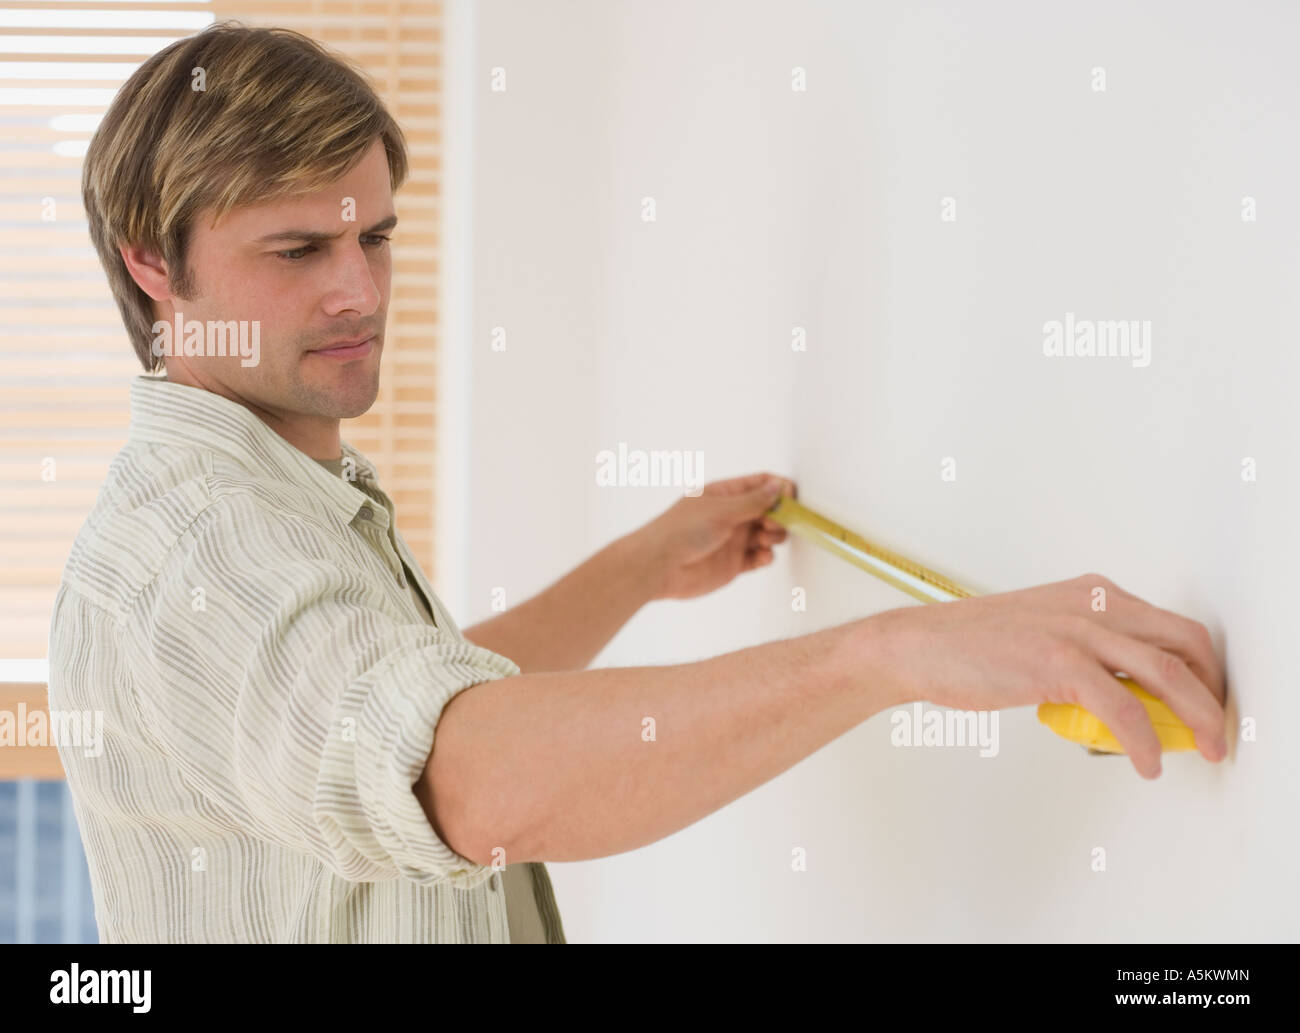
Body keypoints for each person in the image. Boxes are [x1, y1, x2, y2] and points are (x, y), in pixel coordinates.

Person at [48, 22, 1227, 945]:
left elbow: (413, 709)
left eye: (377, 237)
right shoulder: (201, 547)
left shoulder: (278, 493)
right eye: (299, 250)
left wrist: (642, 566)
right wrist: (893, 655)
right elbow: (466, 778)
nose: (359, 290)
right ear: (155, 266)